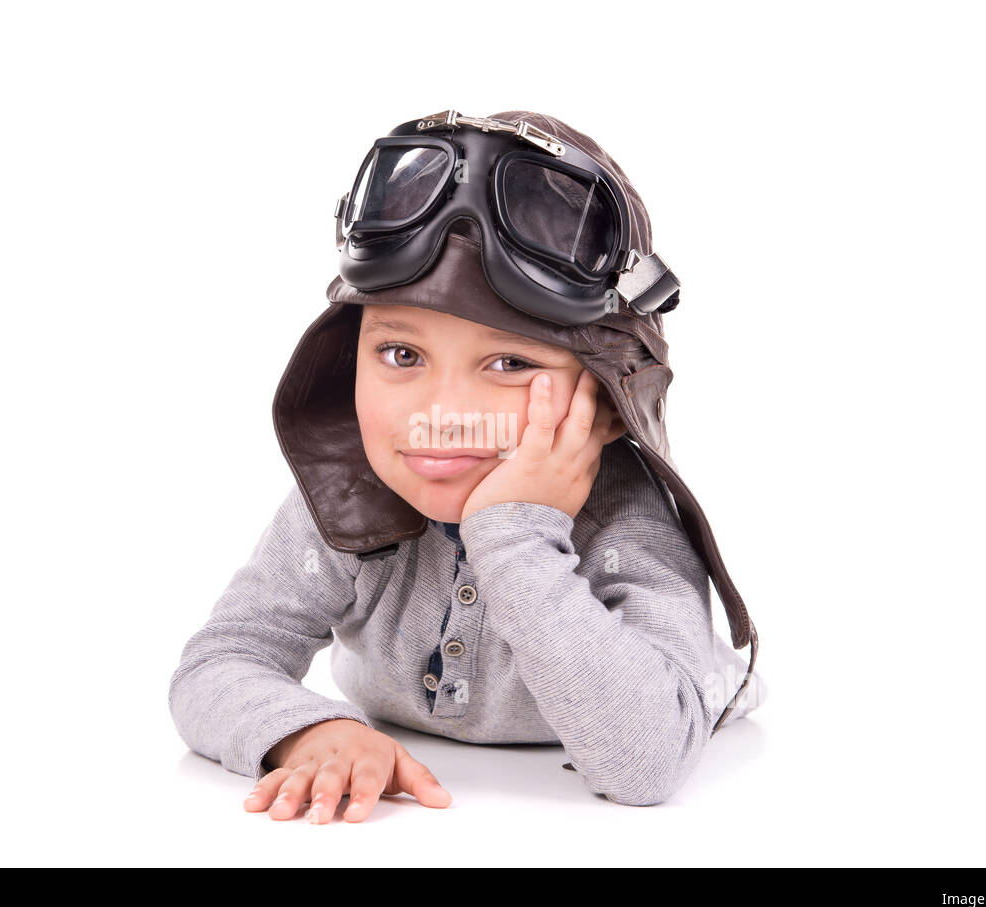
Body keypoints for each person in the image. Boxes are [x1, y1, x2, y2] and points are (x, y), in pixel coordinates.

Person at [168, 109, 767, 822]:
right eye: (402, 355)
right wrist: (311, 731)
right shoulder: (349, 496)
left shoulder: (627, 525)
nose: (443, 410)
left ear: (608, 400)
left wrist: (515, 535)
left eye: (509, 362)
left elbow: (646, 759)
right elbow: (217, 661)